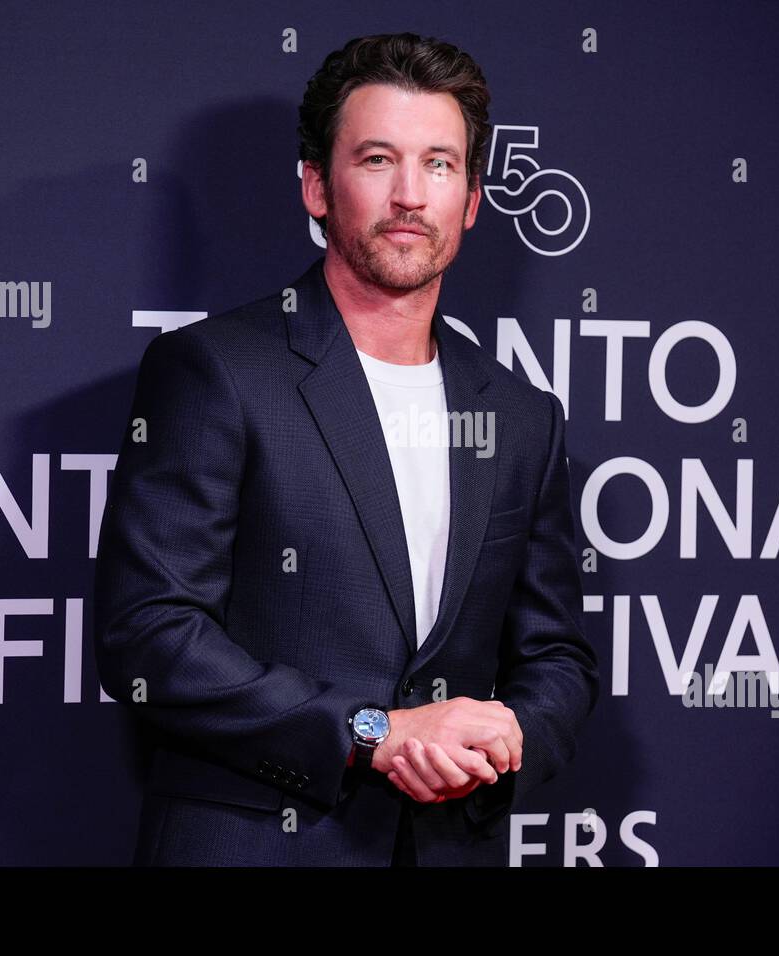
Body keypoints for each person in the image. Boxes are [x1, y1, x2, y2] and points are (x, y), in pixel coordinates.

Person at [92, 32, 599, 867]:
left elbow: (555, 655)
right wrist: (375, 734)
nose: (410, 194)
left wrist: (510, 736)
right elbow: (146, 632)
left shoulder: (520, 415)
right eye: (376, 159)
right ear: (317, 186)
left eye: (439, 164)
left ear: (472, 199)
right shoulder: (217, 371)